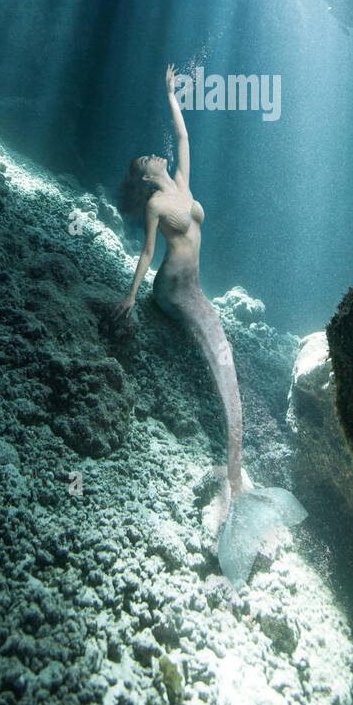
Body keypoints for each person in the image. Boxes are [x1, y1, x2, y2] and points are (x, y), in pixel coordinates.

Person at [113, 65, 305, 584]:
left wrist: (172, 94)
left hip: (198, 291)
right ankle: (233, 486)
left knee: (230, 373)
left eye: (156, 155)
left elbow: (183, 135)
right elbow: (148, 251)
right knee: (221, 368)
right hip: (172, 293)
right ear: (144, 174)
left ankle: (238, 479)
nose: (157, 155)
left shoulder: (180, 182)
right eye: (148, 159)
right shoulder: (155, 200)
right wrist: (132, 296)